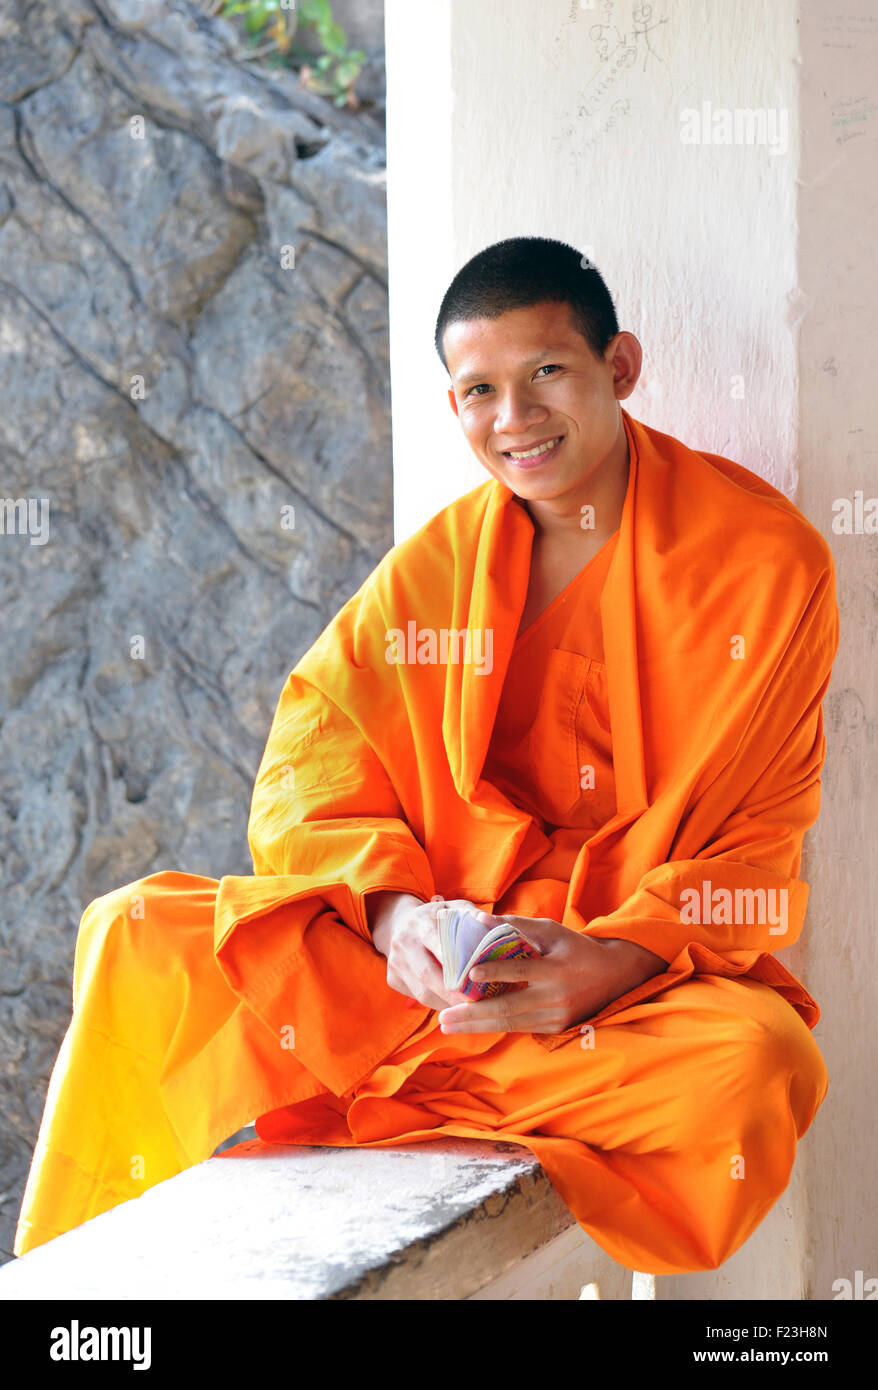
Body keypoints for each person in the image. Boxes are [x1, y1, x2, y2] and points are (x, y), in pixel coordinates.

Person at [14, 236, 839, 1278]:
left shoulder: (761, 561)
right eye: (479, 390)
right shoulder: (439, 566)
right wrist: (397, 917)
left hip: (621, 979)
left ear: (617, 368)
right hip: (419, 966)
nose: (515, 418)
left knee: (753, 1064)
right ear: (452, 406)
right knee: (135, 930)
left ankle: (376, 1078)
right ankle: (73, 1295)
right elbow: (313, 772)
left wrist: (609, 962)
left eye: (546, 373)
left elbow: (755, 837)